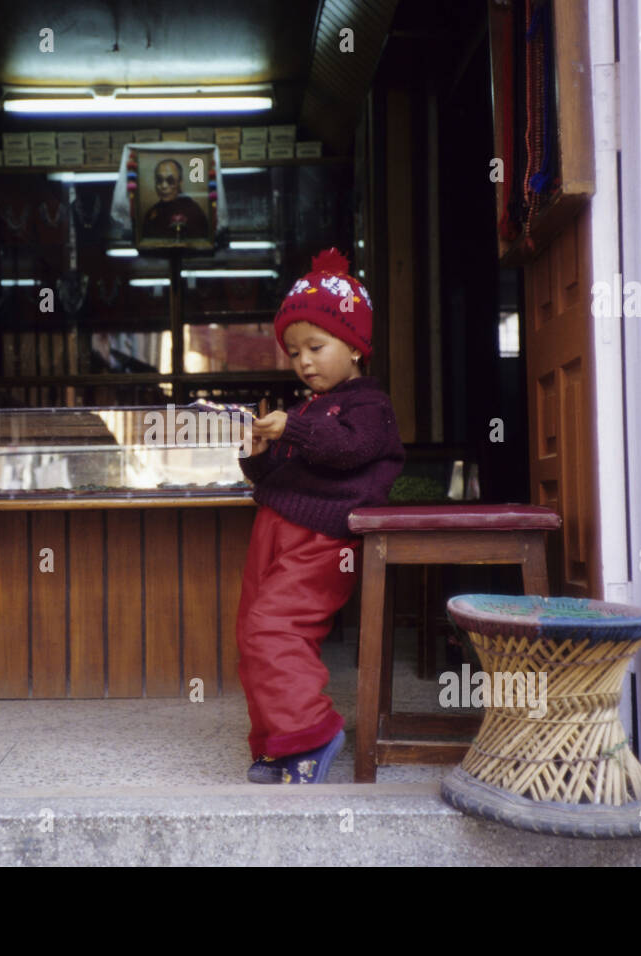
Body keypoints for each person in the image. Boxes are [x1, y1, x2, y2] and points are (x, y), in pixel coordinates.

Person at [236, 248, 405, 783]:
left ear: (355, 347)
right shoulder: (307, 408)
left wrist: (293, 430)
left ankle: (313, 733)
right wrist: (259, 454)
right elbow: (280, 476)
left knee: (274, 629)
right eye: (293, 352)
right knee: (251, 630)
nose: (303, 361)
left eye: (316, 346)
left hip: (322, 539)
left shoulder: (368, 407)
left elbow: (347, 450)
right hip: (277, 530)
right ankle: (276, 742)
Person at [140, 158, 209, 240]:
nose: (163, 186)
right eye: (159, 180)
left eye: (170, 181)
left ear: (180, 182)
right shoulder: (152, 213)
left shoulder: (193, 210)